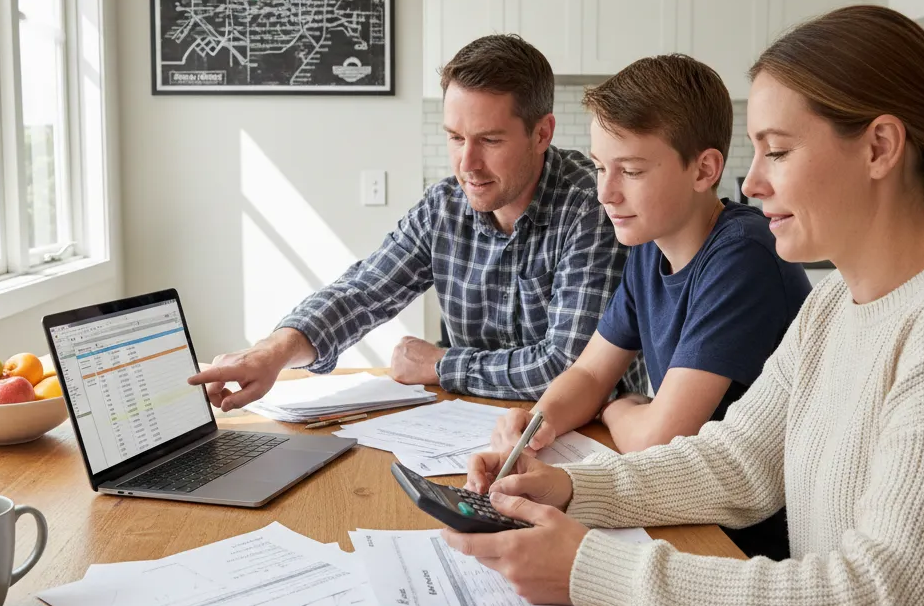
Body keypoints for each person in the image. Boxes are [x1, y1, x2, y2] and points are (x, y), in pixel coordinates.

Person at [454, 5, 924, 606]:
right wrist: (569, 493)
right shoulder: (835, 305)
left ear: (880, 147)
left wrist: (593, 568)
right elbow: (738, 460)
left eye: (777, 151)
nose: (753, 182)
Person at [191, 34, 644, 408]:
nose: (467, 163)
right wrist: (271, 354)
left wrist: (440, 365)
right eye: (454, 137)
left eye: (489, 140)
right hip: (473, 429)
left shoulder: (594, 205)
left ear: (542, 133)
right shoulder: (445, 206)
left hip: (588, 436)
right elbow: (362, 293)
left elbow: (568, 370)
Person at [490, 54, 810, 560]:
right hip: (684, 508)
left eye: (632, 171)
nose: (606, 193)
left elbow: (658, 437)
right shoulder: (649, 245)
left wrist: (618, 406)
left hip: (744, 539)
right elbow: (592, 373)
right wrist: (539, 421)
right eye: (599, 168)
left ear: (704, 169)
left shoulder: (743, 255)